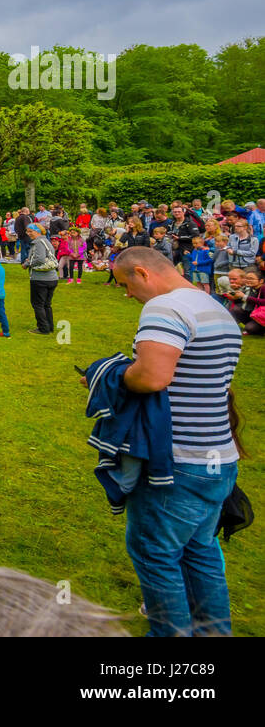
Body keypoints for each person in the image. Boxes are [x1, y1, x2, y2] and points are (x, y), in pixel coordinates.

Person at [104, 247, 244, 636]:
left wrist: (113, 375)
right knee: (200, 554)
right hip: (217, 458)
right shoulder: (214, 308)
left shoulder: (166, 308)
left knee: (156, 554)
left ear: (142, 273)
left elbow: (151, 377)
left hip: (176, 461)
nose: (127, 294)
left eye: (126, 284)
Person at [22, 223, 59, 335]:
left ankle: (43, 328)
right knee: (46, 304)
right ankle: (49, 326)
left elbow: (40, 259)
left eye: (30, 231)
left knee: (38, 304)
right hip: (52, 278)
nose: (28, 234)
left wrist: (27, 263)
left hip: (40, 278)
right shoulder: (46, 241)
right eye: (27, 231)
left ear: (38, 231)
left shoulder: (38, 242)